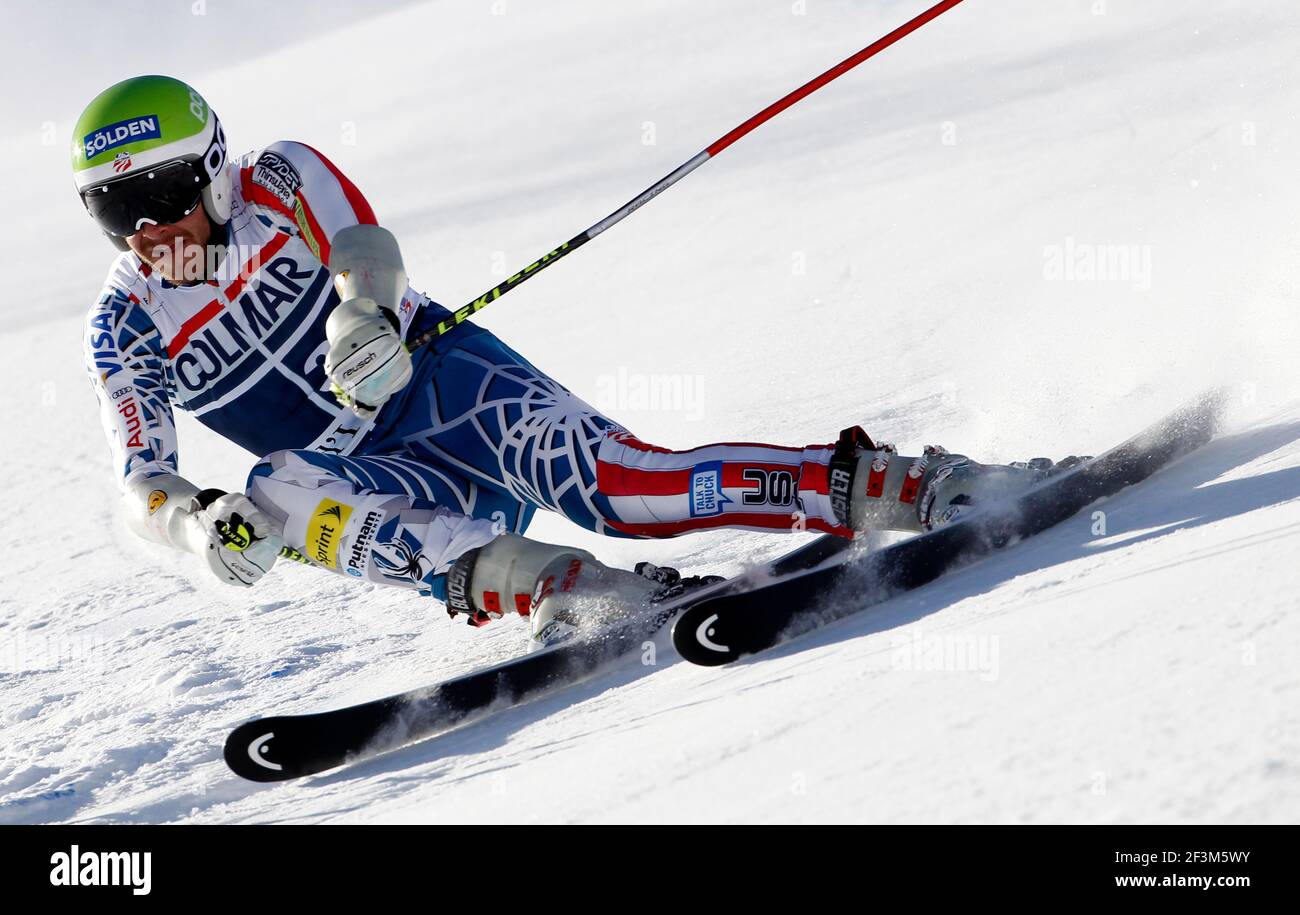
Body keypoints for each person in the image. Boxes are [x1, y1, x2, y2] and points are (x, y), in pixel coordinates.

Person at [76, 75, 1051, 646]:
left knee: (629, 488)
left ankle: (915, 486)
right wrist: (195, 528)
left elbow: (360, 240)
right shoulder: (124, 321)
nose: (148, 230)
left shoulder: (275, 177)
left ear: (211, 167)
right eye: (118, 211)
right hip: (384, 483)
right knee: (275, 493)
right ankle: (568, 589)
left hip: (447, 386)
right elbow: (142, 480)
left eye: (162, 193)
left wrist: (361, 318)